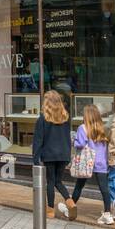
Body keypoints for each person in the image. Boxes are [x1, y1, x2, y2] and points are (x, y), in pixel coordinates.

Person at [70, 103, 113, 224]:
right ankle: (107, 213)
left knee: (79, 185)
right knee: (104, 189)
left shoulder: (82, 128)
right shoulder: (103, 128)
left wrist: (74, 141)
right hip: (101, 162)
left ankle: (71, 207)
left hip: (87, 162)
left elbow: (80, 144)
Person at [32, 89, 72, 218]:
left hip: (49, 155)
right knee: (58, 181)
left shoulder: (43, 118)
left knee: (50, 182)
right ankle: (69, 201)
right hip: (63, 154)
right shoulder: (66, 117)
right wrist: (68, 154)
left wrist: (35, 158)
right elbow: (67, 137)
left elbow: (38, 140)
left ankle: (50, 210)